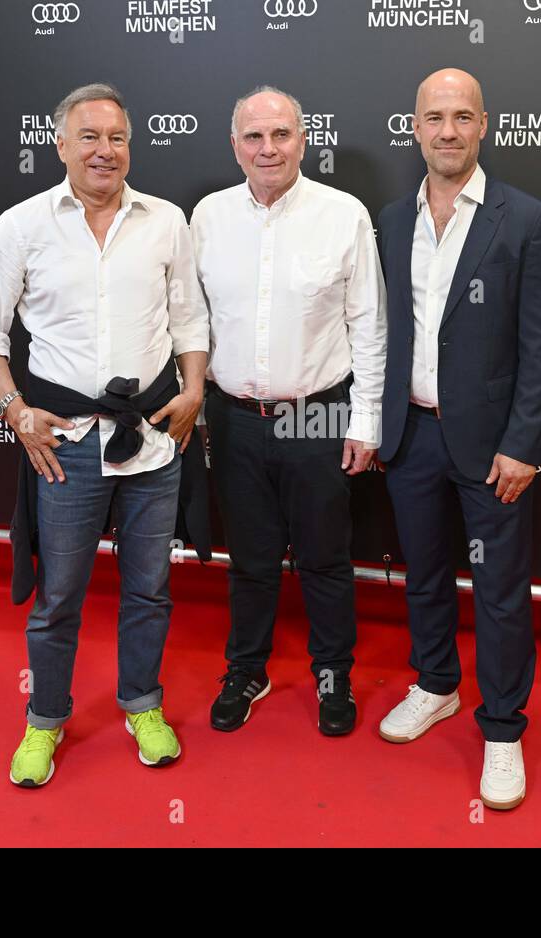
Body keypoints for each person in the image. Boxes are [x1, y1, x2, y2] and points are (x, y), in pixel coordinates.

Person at [0, 83, 209, 786]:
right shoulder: (22, 225)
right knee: (60, 594)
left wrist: (193, 390)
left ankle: (142, 705)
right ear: (60, 143)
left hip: (155, 444)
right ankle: (44, 720)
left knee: (151, 589)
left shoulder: (166, 222)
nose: (106, 150)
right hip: (66, 446)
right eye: (90, 136)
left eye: (118, 138)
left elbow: (189, 320)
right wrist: (14, 409)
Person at [374, 68, 541, 810]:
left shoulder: (526, 219)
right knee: (422, 575)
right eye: (433, 117)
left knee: (500, 592)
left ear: (484, 125)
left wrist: (523, 444)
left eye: (461, 116)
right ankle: (435, 684)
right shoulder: (392, 220)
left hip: (493, 448)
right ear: (414, 127)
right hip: (411, 435)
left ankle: (504, 729)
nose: (447, 130)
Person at [191, 86, 387, 736]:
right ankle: (247, 670)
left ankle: (333, 678)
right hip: (236, 417)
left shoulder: (344, 214)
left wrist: (364, 421)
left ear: (304, 140)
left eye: (281, 135)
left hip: (319, 416)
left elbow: (370, 324)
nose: (268, 148)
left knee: (325, 559)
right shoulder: (208, 217)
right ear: (235, 145)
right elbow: (192, 321)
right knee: (249, 560)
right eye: (254, 136)